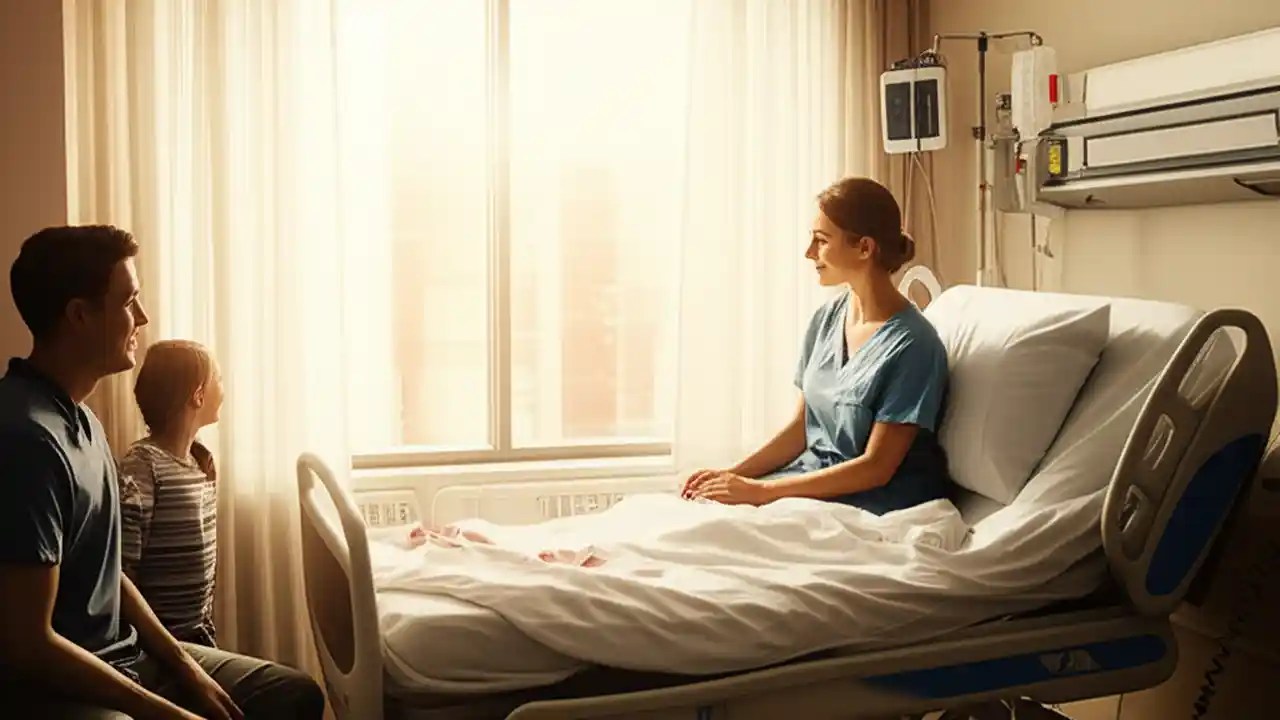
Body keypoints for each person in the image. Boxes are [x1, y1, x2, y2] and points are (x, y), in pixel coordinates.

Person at [0, 226, 325, 719]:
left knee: (292, 693)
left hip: (123, 655)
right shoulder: (26, 439)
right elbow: (27, 644)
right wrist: (162, 710)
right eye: (130, 302)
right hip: (58, 689)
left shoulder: (83, 421)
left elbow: (106, 570)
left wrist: (186, 667)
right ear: (80, 315)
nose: (143, 318)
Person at [683, 177, 952, 514]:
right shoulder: (828, 318)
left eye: (821, 241)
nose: (809, 253)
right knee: (692, 515)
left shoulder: (914, 347)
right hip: (813, 481)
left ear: (865, 248)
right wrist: (731, 476)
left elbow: (876, 468)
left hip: (871, 503)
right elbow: (800, 431)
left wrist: (763, 492)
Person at [120, 340, 224, 649]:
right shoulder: (143, 466)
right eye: (217, 377)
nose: (224, 386)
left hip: (198, 634)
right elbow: (125, 569)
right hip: (157, 642)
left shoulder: (201, 462)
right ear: (198, 395)